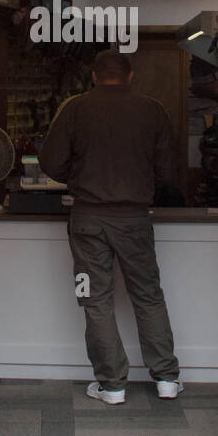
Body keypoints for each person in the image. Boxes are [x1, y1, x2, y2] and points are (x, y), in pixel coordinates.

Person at [38, 49, 181, 405]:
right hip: (134, 219)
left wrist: (82, 176)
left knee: (96, 300)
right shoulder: (152, 110)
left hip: (88, 218)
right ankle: (166, 379)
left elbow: (51, 163)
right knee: (148, 296)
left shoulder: (74, 108)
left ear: (94, 76)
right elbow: (168, 172)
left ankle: (112, 385)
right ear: (130, 75)